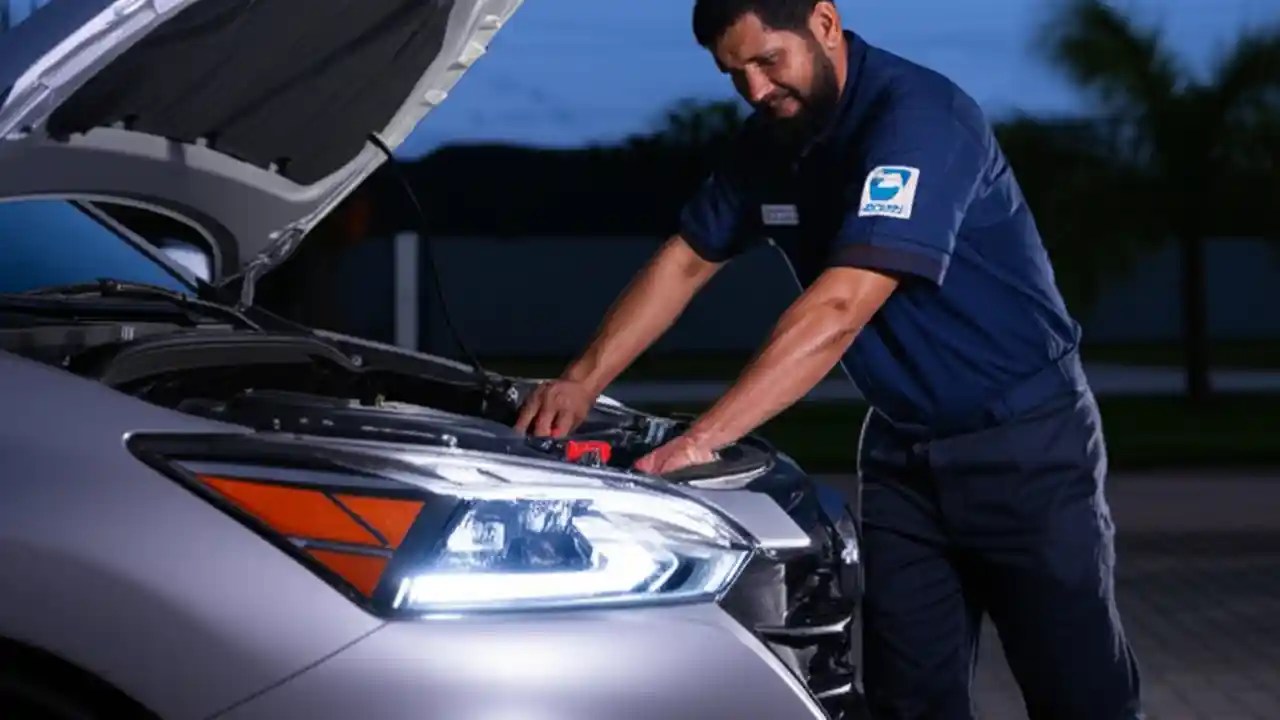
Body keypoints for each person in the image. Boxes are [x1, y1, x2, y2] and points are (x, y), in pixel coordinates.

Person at [515, 1, 1144, 717]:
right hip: (904, 455)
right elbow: (685, 262)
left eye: (766, 61)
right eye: (733, 73)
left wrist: (702, 440)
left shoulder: (921, 119)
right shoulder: (772, 143)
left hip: (1027, 444)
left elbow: (842, 308)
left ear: (823, 22)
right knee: (908, 702)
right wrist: (580, 381)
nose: (754, 89)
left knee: (1079, 693)